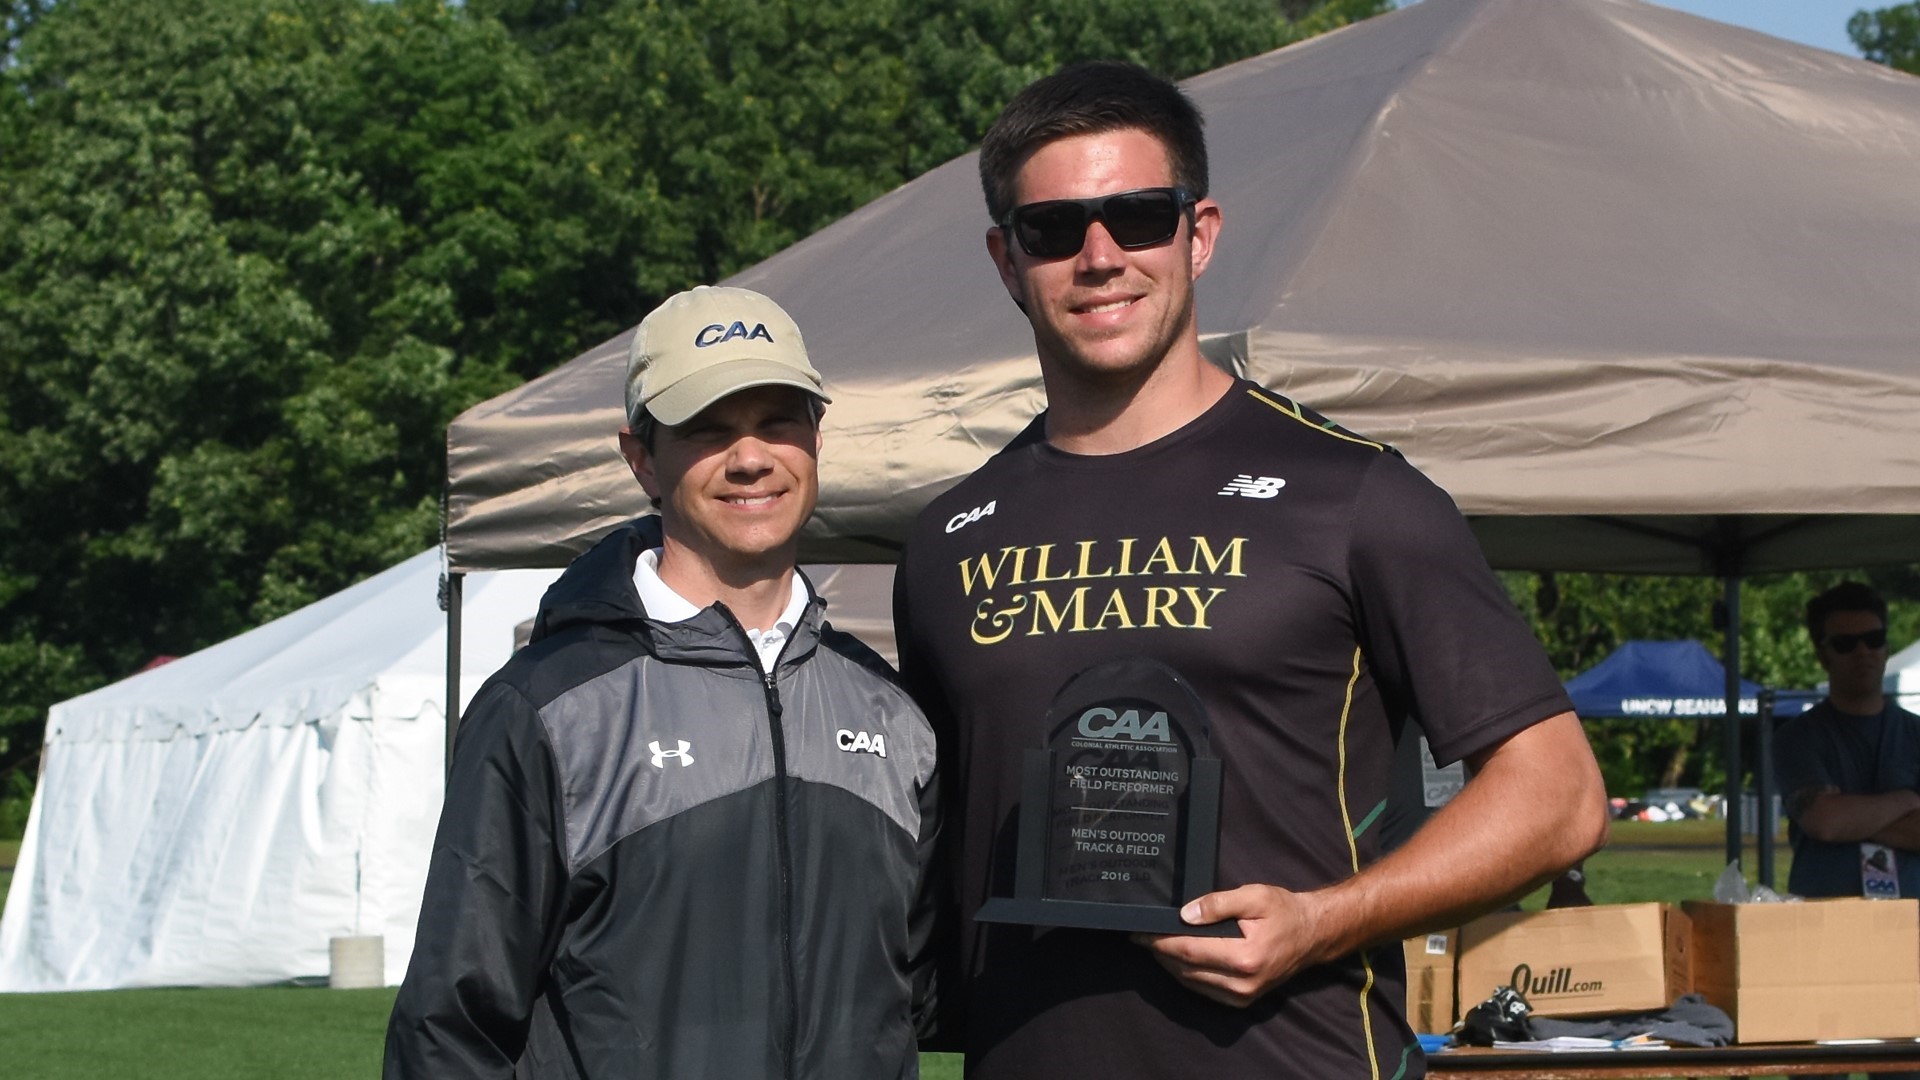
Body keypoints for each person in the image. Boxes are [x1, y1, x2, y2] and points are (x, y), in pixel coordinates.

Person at [892, 61, 1608, 1078]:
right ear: (1008, 261)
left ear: (1200, 233)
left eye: (1139, 217)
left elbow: (1560, 797)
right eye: (1054, 229)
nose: (1100, 257)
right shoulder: (950, 541)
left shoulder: (1352, 494)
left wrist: (1323, 920)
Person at [385, 286, 941, 1079]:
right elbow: (450, 1029)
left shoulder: (892, 710)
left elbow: (919, 997)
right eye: (708, 428)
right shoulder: (545, 708)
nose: (751, 457)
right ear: (640, 456)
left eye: (778, 421)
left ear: (817, 437)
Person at [1776, 581, 1920, 900]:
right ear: (1823, 656)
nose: (1862, 652)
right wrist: (1907, 801)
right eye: (1845, 644)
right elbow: (1825, 822)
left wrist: (1851, 820)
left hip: (1912, 917)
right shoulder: (1797, 737)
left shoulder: (1915, 733)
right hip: (1827, 915)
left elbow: (1835, 823)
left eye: (1874, 639)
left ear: (1886, 647)